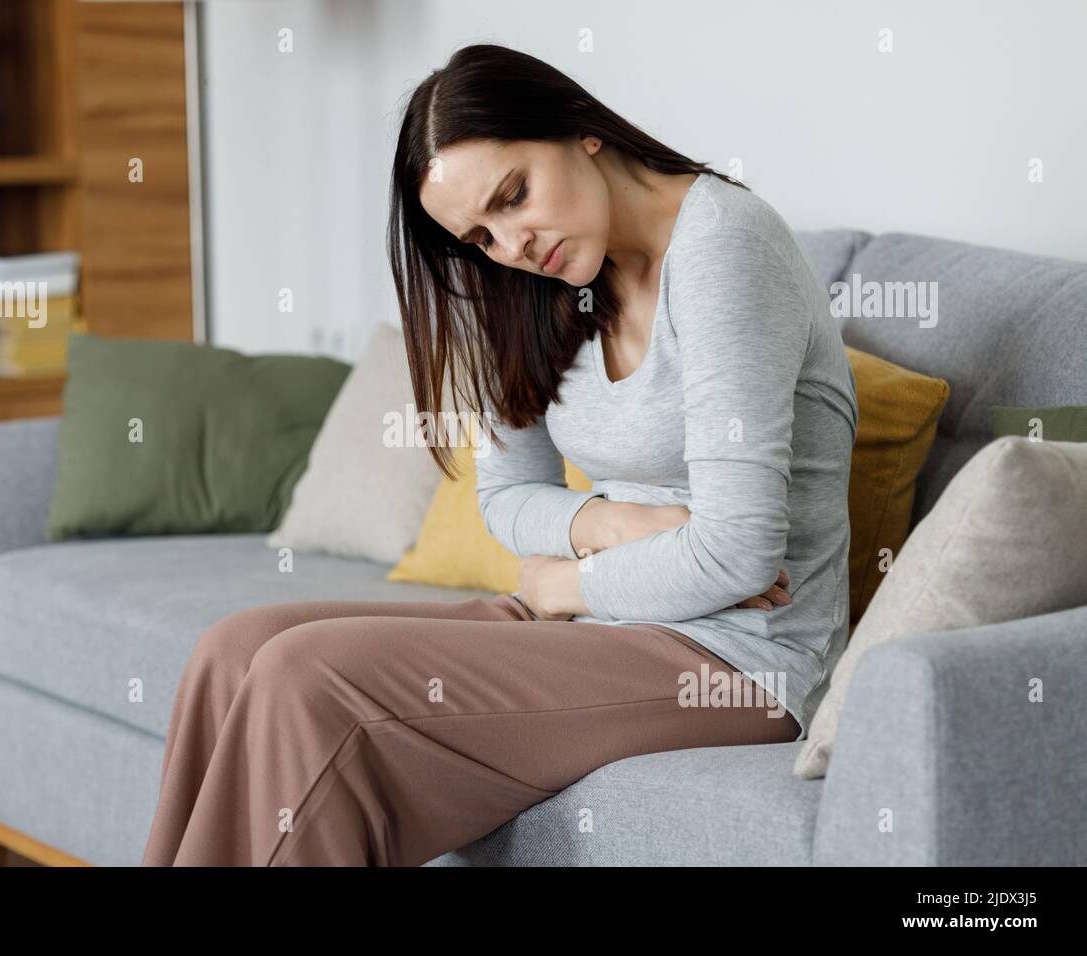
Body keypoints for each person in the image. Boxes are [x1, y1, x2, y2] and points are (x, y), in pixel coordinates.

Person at [142, 43, 857, 867]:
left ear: (578, 129)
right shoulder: (532, 285)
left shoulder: (724, 247)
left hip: (735, 657)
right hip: (601, 622)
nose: (513, 244)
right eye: (480, 233)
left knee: (307, 677)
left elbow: (737, 557)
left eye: (513, 196)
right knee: (233, 650)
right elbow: (508, 499)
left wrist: (561, 582)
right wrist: (615, 522)